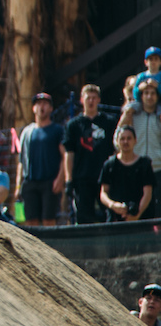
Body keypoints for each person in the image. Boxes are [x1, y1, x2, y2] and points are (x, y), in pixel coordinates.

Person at [63, 83, 117, 225]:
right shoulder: (74, 125)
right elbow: (69, 153)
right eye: (88, 98)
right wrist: (68, 180)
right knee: (83, 217)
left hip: (104, 177)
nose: (91, 101)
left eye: (94, 98)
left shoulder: (109, 122)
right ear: (82, 100)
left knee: (109, 215)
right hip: (82, 177)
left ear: (99, 100)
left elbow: (115, 150)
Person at [15, 92, 66, 227]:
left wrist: (60, 179)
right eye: (38, 104)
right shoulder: (27, 131)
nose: (41, 107)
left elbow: (64, 156)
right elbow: (21, 160)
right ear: (33, 108)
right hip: (30, 182)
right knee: (31, 221)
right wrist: (18, 185)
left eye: (45, 104)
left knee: (49, 220)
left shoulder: (57, 130)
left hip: (50, 182)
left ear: (50, 108)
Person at [99, 124, 153, 222]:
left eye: (129, 138)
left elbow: (148, 193)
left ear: (135, 141)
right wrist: (113, 205)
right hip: (115, 219)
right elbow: (103, 193)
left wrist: (137, 214)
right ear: (117, 142)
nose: (125, 142)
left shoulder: (145, 164)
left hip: (141, 219)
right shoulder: (109, 165)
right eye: (122, 139)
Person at [119, 79, 161, 200]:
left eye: (152, 93)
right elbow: (118, 138)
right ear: (141, 96)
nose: (149, 96)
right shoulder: (132, 115)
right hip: (135, 167)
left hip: (157, 168)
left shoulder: (159, 116)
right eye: (146, 93)